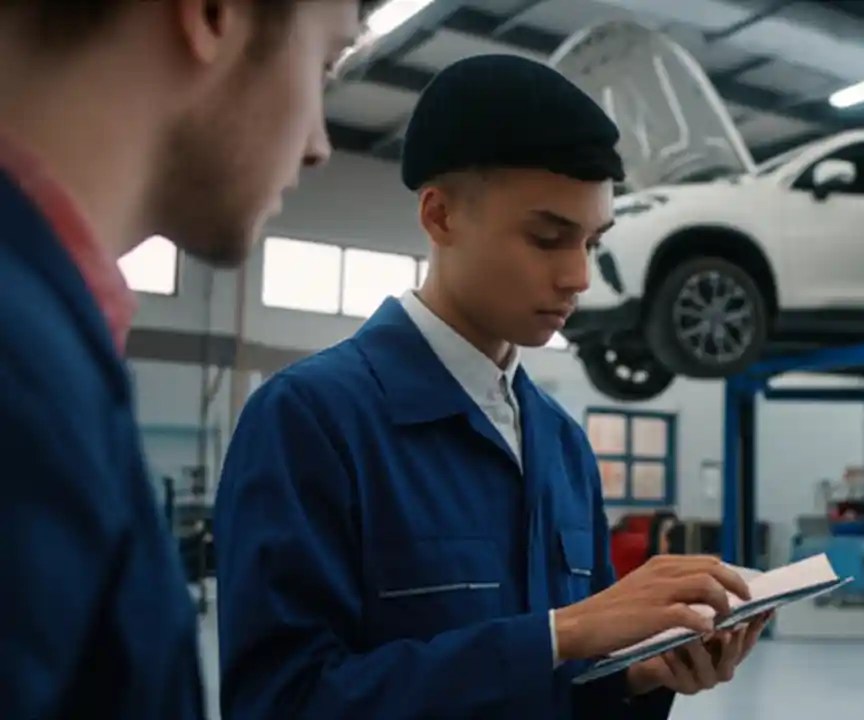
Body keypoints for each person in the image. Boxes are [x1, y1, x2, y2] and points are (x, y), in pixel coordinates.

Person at [214, 53, 769, 720]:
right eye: (547, 238)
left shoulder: (561, 445)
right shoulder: (312, 421)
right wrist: (560, 636)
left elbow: (561, 694)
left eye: (592, 243)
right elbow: (281, 703)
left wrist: (635, 676)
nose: (578, 277)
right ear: (441, 217)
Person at [0, 1, 368, 717]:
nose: (319, 143)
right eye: (324, 63)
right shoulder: (21, 380)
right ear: (210, 14)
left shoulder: (48, 347)